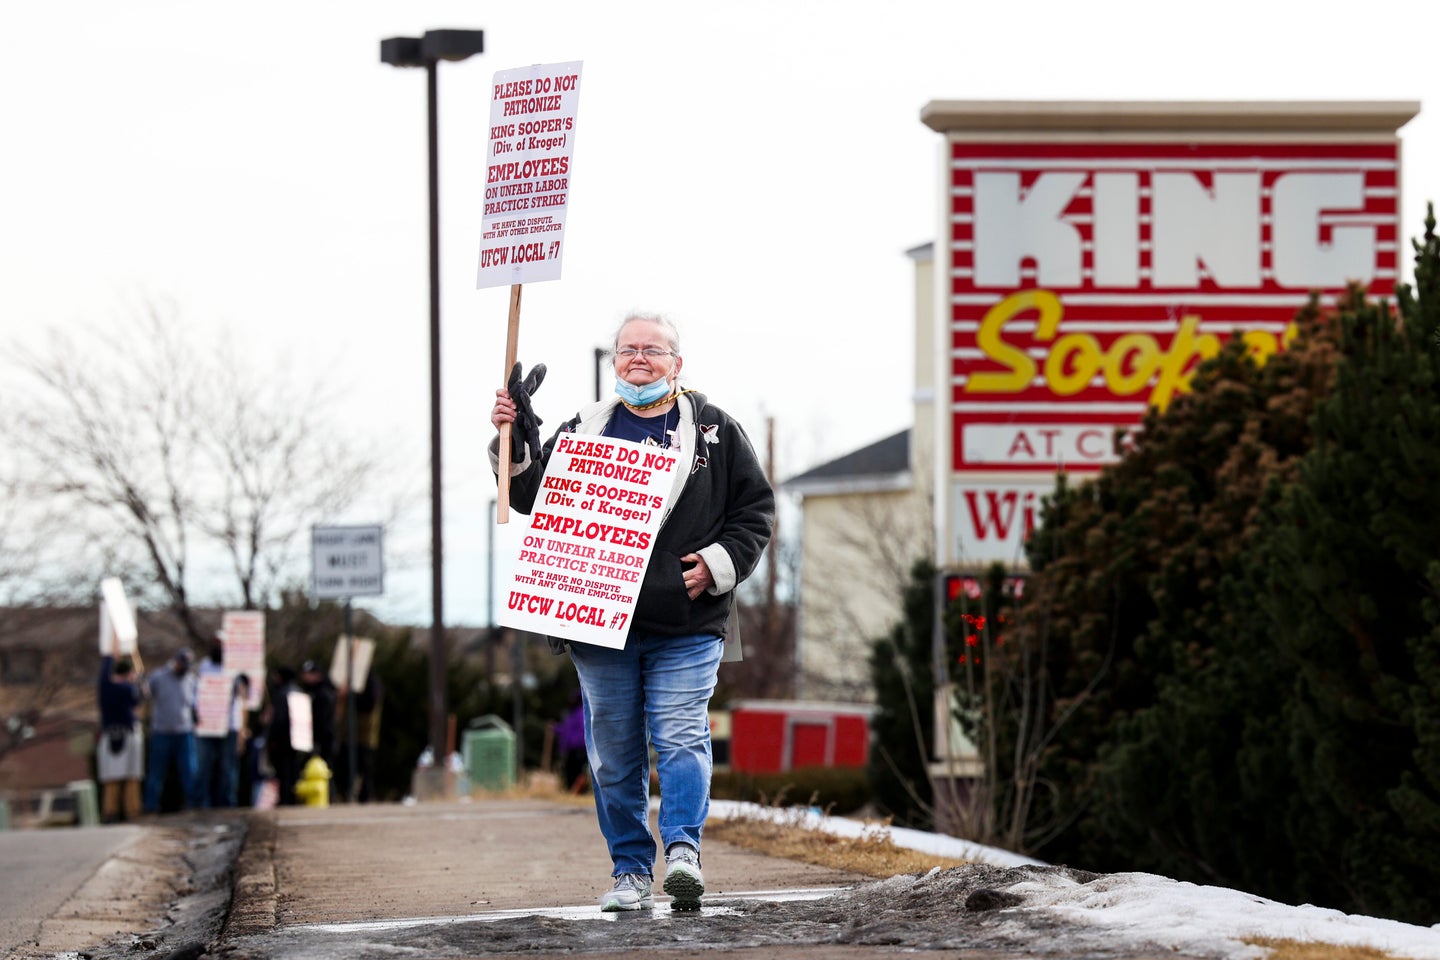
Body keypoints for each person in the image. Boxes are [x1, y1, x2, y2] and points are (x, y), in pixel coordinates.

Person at [489, 312, 775, 912]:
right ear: (615, 360)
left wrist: (719, 563)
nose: (638, 359)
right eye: (627, 350)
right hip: (597, 626)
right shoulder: (584, 428)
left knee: (680, 735)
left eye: (652, 349)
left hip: (687, 622)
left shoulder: (717, 432)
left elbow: (756, 510)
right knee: (614, 756)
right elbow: (528, 493)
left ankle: (682, 853)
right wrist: (513, 440)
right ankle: (629, 870)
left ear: (678, 362)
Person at [143, 647, 199, 813]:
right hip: (162, 732)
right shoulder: (158, 676)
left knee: (189, 771)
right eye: (183, 665)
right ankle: (151, 806)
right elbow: (144, 695)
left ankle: (193, 803)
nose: (185, 668)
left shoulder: (191, 679)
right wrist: (141, 685)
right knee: (156, 773)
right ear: (176, 662)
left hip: (184, 732)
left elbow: (195, 704)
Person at [193, 639, 245, 808]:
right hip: (206, 725)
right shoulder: (204, 666)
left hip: (229, 726)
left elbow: (244, 694)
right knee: (203, 765)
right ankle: (202, 803)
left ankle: (227, 803)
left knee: (227, 768)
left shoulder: (235, 669)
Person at [97, 648, 145, 822]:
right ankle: (132, 811)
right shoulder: (126, 688)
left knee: (112, 777)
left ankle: (110, 811)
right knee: (131, 776)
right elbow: (139, 698)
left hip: (109, 733)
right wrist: (138, 681)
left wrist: (110, 658)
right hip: (127, 733)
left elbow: (103, 677)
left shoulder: (105, 688)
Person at [336, 665, 383, 803]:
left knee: (365, 768)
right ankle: (348, 793)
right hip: (350, 735)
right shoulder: (355, 684)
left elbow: (369, 704)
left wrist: (352, 695)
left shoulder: (371, 684)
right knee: (347, 766)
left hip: (365, 735)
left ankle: (363, 796)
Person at [300, 660, 338, 800]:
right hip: (317, 739)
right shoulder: (311, 692)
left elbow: (322, 721)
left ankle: (329, 797)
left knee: (324, 771)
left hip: (325, 740)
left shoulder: (323, 694)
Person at [265, 665, 301, 805]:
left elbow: (279, 721)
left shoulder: (282, 694)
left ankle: (286, 800)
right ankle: (292, 800)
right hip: (297, 742)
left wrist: (272, 740)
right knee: (293, 773)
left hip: (283, 742)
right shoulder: (298, 692)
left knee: (284, 774)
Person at [554, 689, 589, 794]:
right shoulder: (572, 713)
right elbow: (566, 729)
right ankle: (573, 791)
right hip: (572, 748)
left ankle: (579, 791)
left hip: (579, 748)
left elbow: (579, 731)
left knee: (578, 771)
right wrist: (556, 728)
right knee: (570, 770)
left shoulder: (581, 712)